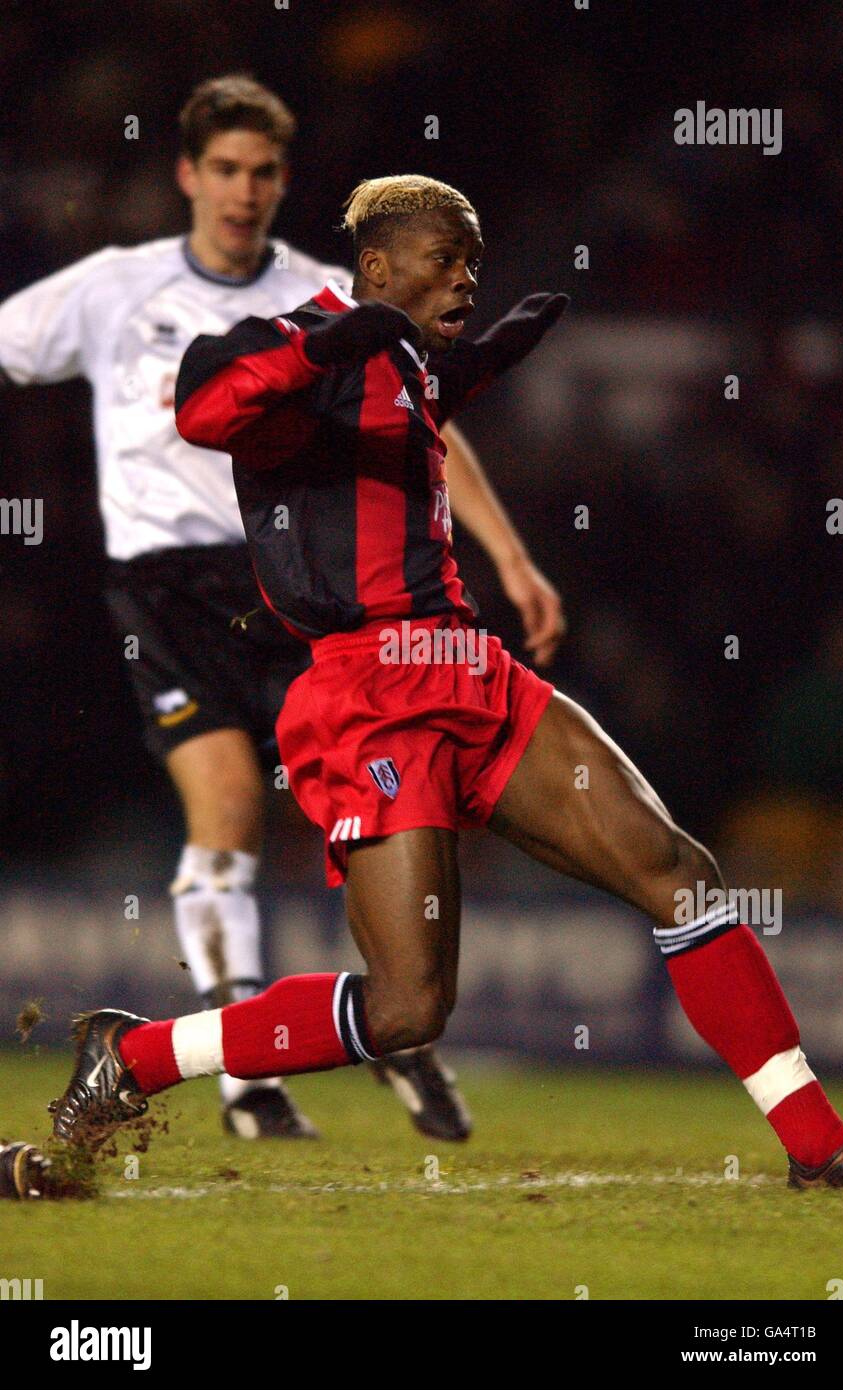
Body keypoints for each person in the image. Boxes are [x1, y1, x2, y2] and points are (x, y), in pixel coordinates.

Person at [48, 173, 843, 1190]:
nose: (466, 279)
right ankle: (133, 1056)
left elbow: (406, 402)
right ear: (379, 265)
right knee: (405, 1010)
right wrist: (326, 344)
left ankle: (817, 1144)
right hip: (365, 696)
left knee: (679, 873)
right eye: (447, 260)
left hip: (469, 669)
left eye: (473, 261)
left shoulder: (394, 358)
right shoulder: (291, 345)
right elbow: (208, 405)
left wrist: (483, 359)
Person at [0, 78, 566, 1142]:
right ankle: (241, 1071)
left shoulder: (334, 293)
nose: (243, 190)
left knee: (370, 824)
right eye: (224, 168)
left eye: (262, 172)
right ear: (186, 175)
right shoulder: (111, 287)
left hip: (302, 595)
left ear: (282, 182)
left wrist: (512, 557)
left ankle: (388, 1026)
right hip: (164, 588)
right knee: (223, 809)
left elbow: (424, 432)